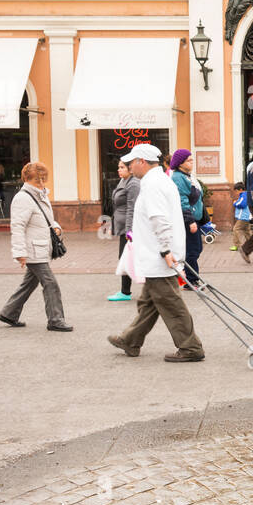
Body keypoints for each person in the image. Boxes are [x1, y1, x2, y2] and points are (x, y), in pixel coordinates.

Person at [107, 143, 204, 362]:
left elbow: (159, 219)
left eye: (131, 162)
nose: (129, 167)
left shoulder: (152, 185)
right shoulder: (158, 181)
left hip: (158, 255)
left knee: (171, 303)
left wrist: (165, 249)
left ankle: (191, 347)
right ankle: (130, 339)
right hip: (157, 254)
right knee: (149, 303)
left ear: (142, 161)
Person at [0, 162, 72, 332]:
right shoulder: (23, 198)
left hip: (40, 246)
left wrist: (56, 227)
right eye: (37, 180)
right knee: (50, 283)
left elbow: (46, 219)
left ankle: (9, 313)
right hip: (33, 249)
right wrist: (19, 252)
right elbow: (17, 227)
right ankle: (55, 320)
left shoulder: (40, 195)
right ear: (27, 179)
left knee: (29, 284)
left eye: (43, 179)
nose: (41, 183)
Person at [169, 149, 204, 286]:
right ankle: (191, 279)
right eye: (189, 160)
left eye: (191, 159)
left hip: (196, 219)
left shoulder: (188, 176)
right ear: (180, 163)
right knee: (192, 249)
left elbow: (198, 198)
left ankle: (188, 276)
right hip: (188, 220)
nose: (192, 162)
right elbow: (182, 200)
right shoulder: (178, 178)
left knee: (196, 248)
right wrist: (190, 221)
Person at [108, 158, 140, 301]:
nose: (119, 170)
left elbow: (132, 208)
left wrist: (129, 230)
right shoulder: (123, 181)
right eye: (118, 167)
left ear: (130, 169)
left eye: (122, 167)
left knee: (127, 258)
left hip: (129, 228)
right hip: (122, 226)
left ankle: (125, 292)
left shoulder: (133, 183)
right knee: (125, 258)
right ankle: (125, 291)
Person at [231, 181, 251, 251]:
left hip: (242, 217)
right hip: (246, 217)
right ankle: (252, 243)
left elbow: (242, 204)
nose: (236, 193)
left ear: (240, 189)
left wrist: (235, 203)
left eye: (236, 191)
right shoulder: (244, 195)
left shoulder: (243, 195)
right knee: (247, 231)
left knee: (235, 229)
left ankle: (237, 245)